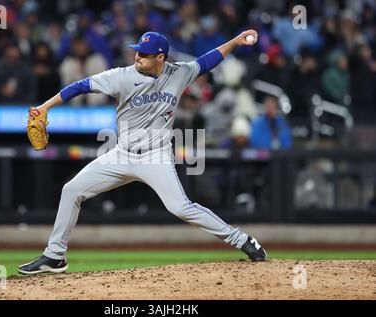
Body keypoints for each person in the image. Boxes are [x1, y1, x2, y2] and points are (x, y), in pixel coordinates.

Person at [18, 30, 267, 275]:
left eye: (144, 54)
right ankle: (55, 256)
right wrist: (45, 106)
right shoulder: (121, 76)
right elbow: (81, 86)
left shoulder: (180, 73)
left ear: (161, 58)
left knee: (180, 207)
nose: (137, 57)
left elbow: (208, 60)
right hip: (121, 154)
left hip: (155, 156)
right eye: (137, 52)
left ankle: (243, 240)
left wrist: (234, 41)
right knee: (71, 190)